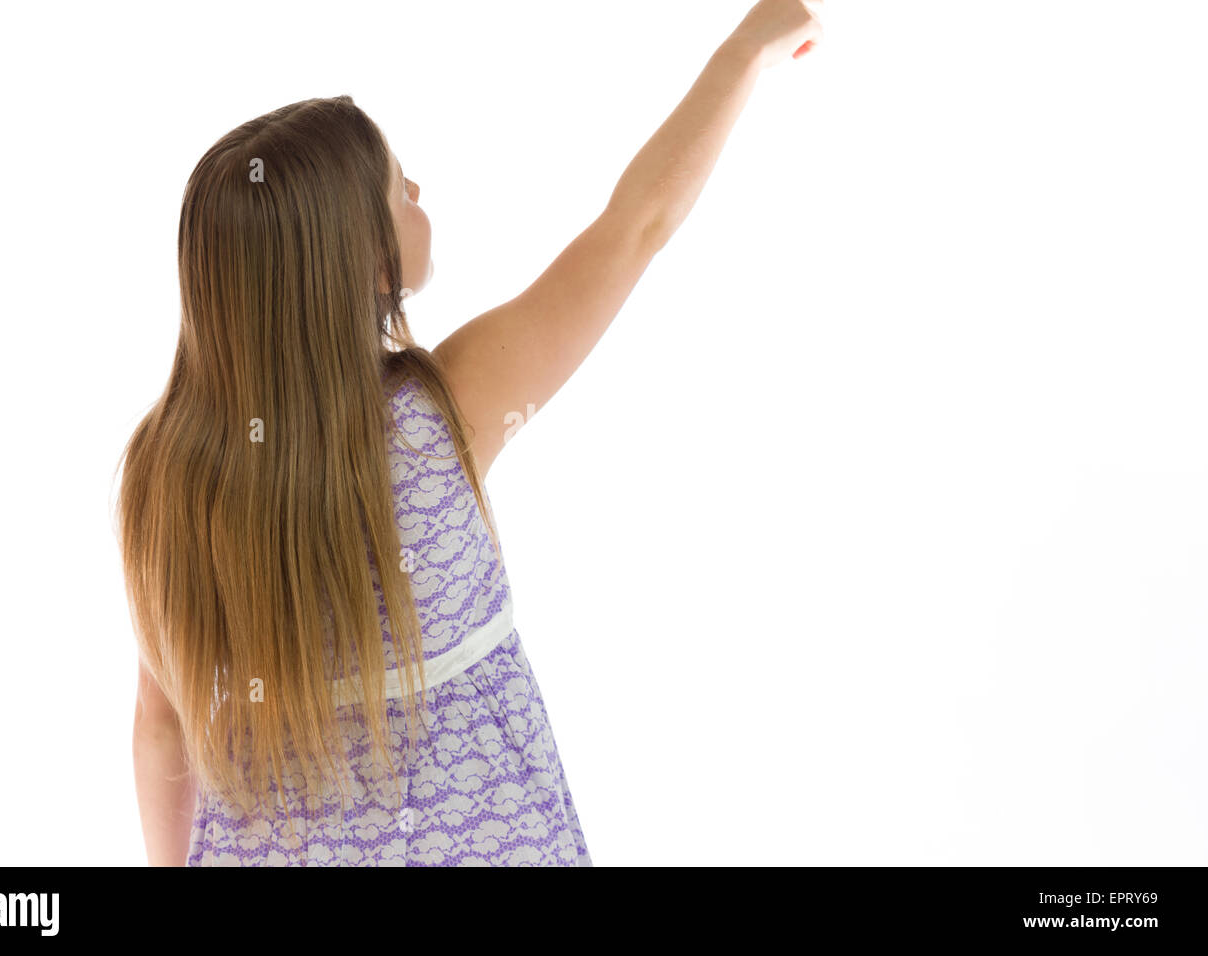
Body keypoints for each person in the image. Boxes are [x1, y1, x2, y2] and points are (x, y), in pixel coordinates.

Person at [123, 0, 826, 866]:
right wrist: (749, 44)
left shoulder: (167, 477)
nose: (418, 192)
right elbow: (635, 229)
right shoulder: (439, 417)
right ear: (368, 265)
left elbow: (161, 731)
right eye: (396, 187)